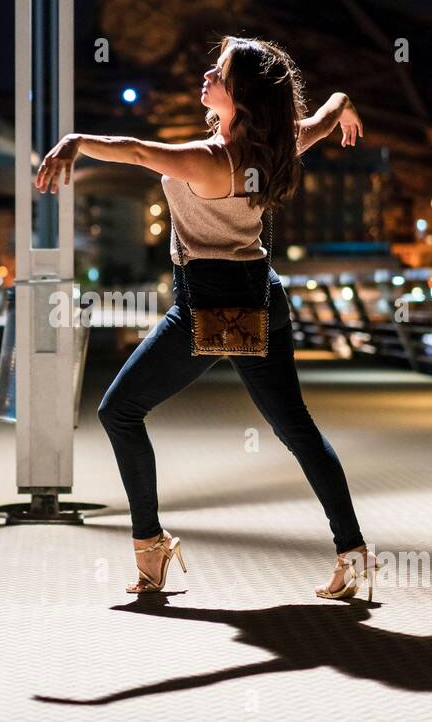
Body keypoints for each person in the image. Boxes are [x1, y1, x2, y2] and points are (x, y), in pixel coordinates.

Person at [35, 35, 374, 600]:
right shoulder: (279, 143)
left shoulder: (212, 161)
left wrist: (75, 140)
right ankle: (353, 552)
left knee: (120, 411)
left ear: (239, 96)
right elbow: (328, 109)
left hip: (207, 307)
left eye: (218, 73)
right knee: (297, 429)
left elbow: (140, 152)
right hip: (261, 297)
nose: (206, 78)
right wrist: (345, 107)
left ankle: (151, 548)